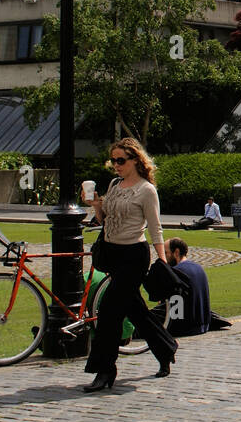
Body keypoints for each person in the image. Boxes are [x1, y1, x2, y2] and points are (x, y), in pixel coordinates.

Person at [82, 138, 179, 392]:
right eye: (113, 160)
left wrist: (162, 259)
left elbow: (155, 228)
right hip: (112, 254)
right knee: (136, 311)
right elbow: (105, 219)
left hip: (133, 257)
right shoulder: (114, 185)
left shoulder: (147, 190)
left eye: (121, 160)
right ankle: (165, 350)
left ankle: (104, 370)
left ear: (135, 160)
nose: (116, 165)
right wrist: (96, 206)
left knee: (109, 311)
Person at [158, 237, 212, 335]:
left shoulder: (176, 272)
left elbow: (164, 305)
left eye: (166, 253)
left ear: (176, 252)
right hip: (202, 325)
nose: (164, 258)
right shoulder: (199, 268)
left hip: (182, 327)